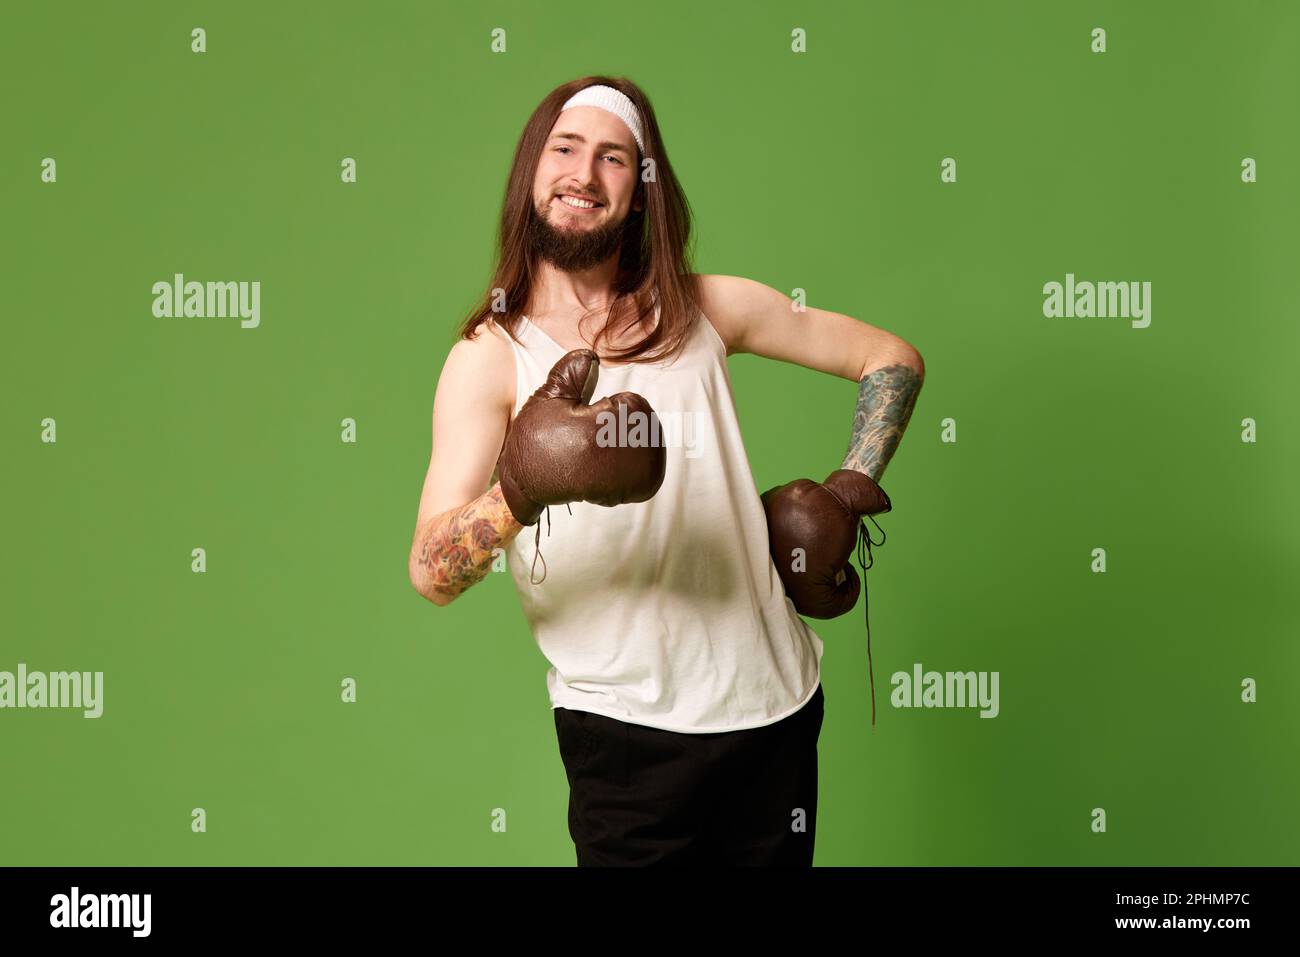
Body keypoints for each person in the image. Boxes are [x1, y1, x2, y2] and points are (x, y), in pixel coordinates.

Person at [408, 76, 924, 866]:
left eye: (614, 157)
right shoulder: (490, 358)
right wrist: (519, 491)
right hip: (623, 738)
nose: (584, 174)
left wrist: (847, 489)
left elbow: (890, 360)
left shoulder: (706, 308)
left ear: (642, 192)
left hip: (774, 711)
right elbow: (430, 569)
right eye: (566, 149)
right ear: (531, 173)